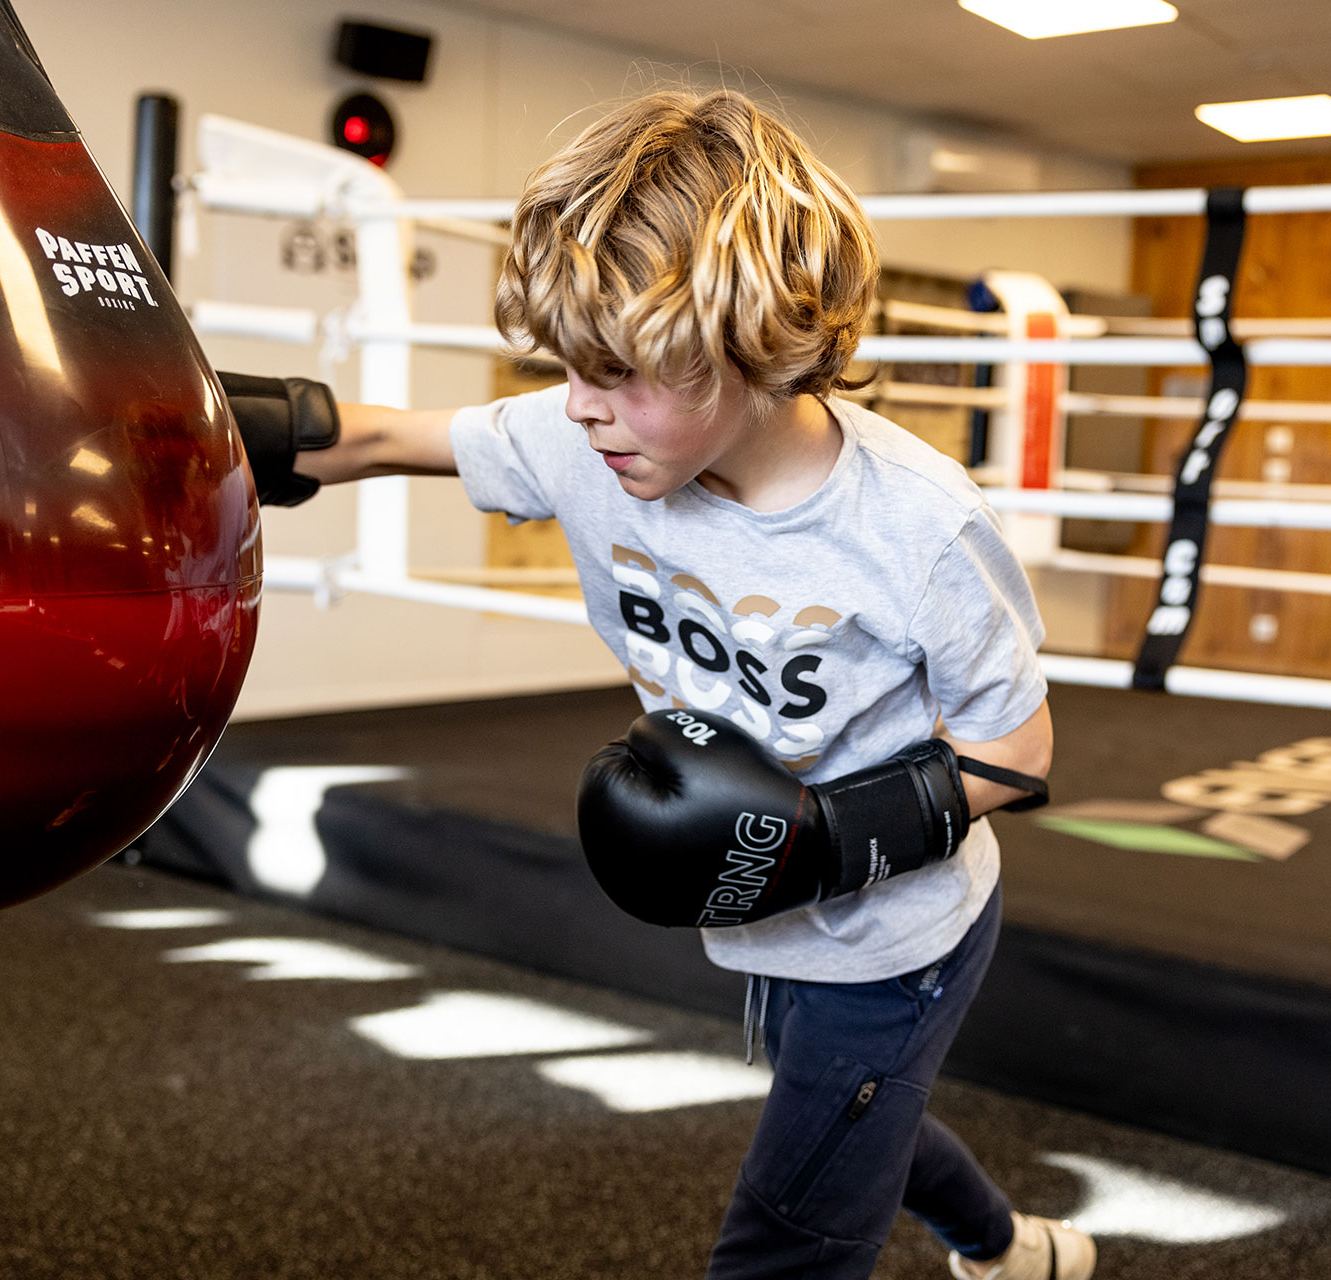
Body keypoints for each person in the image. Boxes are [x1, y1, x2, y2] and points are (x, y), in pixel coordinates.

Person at [295, 89, 1090, 1279]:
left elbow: (1016, 753)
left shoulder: (917, 528)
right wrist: (198, 427)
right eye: (567, 365)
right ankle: (1013, 1251)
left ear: (756, 338)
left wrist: (825, 837)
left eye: (617, 370)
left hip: (895, 936)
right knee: (854, 1112)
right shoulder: (587, 440)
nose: (579, 404)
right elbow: (374, 438)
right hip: (765, 912)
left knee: (791, 1226)